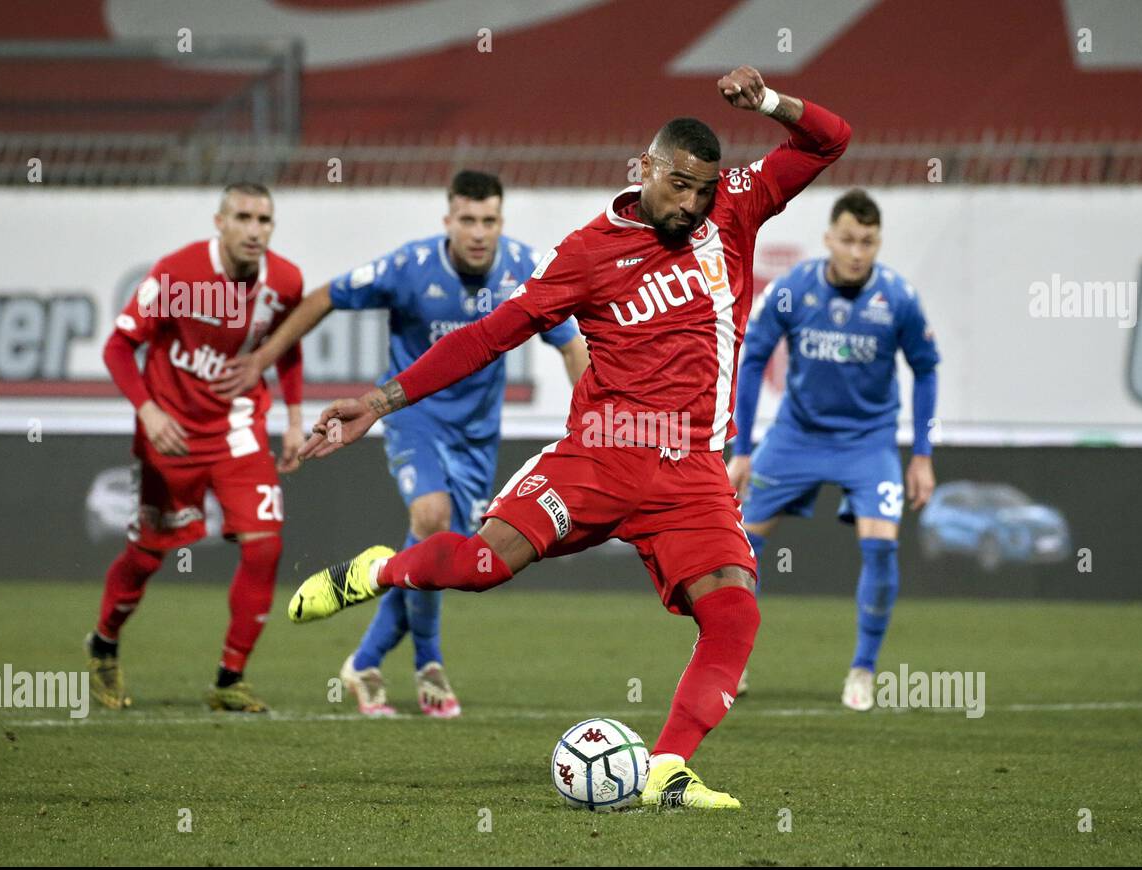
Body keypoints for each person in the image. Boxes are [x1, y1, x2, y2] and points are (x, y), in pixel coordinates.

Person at [289, 66, 849, 809]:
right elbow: (488, 336)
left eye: (703, 189)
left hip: (692, 473)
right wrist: (380, 401)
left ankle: (667, 771)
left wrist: (772, 103)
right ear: (645, 169)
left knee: (734, 608)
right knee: (483, 563)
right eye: (678, 184)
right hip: (602, 454)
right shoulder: (587, 252)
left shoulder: (736, 210)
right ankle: (378, 571)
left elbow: (830, 140)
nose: (692, 202)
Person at [214, 171, 587, 717]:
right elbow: (324, 297)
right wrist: (262, 360)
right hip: (414, 419)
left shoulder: (523, 270)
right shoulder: (408, 269)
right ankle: (429, 663)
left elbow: (572, 345)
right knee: (431, 517)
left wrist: (593, 420)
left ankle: (364, 662)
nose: (478, 233)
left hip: (478, 437)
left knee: (442, 554)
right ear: (448, 221)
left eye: (489, 221)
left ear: (501, 223)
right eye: (467, 220)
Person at [87, 182, 305, 712]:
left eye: (265, 220)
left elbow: (287, 348)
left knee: (265, 545)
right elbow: (119, 345)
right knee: (147, 555)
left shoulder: (285, 280)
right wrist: (148, 409)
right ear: (220, 221)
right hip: (173, 435)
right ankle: (103, 645)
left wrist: (296, 419)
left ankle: (230, 681)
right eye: (244, 217)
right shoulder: (176, 273)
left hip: (237, 429)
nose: (256, 230)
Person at [728, 189, 939, 711]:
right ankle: (731, 661)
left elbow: (927, 368)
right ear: (828, 239)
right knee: (735, 545)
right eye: (847, 239)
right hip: (796, 435)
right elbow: (751, 359)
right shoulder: (792, 289)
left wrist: (922, 454)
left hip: (868, 442)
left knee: (882, 544)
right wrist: (744, 447)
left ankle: (863, 671)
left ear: (878, 242)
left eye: (867, 242)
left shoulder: (899, 298)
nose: (856, 252)